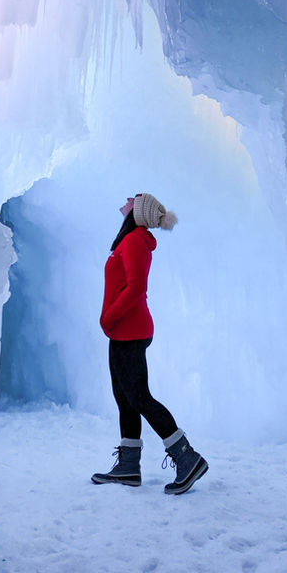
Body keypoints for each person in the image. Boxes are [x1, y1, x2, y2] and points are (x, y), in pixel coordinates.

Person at [91, 192, 208, 495]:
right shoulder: (133, 240)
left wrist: (108, 318)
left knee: (139, 396)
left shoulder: (134, 241)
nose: (126, 202)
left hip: (128, 330)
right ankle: (129, 466)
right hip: (123, 331)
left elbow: (136, 288)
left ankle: (187, 457)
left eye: (132, 201)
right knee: (125, 397)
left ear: (137, 213)